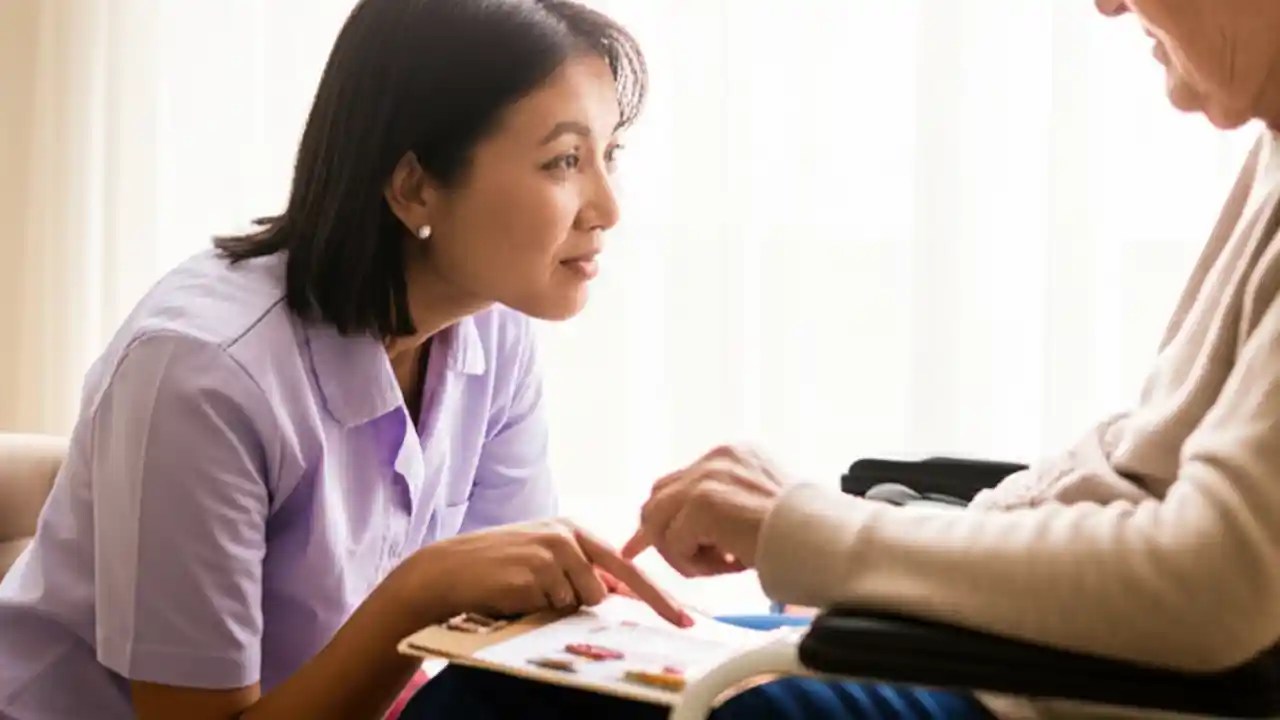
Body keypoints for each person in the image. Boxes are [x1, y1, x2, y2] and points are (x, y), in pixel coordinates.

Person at [407, 0, 1280, 718]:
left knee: (502, 705)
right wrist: (897, 549)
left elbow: (1217, 584)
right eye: (565, 160)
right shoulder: (1269, 150)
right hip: (1019, 654)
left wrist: (817, 535)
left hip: (1058, 685)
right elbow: (1144, 477)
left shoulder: (497, 339)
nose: (1109, 4)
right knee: (524, 674)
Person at [0, 1, 691, 719]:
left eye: (607, 156)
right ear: (415, 185)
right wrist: (417, 594)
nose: (607, 207)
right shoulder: (202, 372)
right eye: (564, 162)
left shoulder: (491, 326)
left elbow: (509, 624)